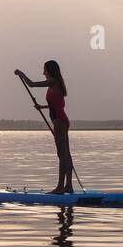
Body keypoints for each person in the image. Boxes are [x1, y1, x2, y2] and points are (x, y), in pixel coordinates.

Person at [15, 61, 76, 194]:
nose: (43, 73)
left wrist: (21, 74)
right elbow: (58, 105)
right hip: (62, 121)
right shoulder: (56, 84)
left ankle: (60, 187)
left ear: (50, 70)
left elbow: (31, 84)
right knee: (66, 155)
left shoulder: (53, 82)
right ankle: (69, 186)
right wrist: (42, 107)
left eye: (45, 70)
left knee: (62, 155)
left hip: (59, 122)